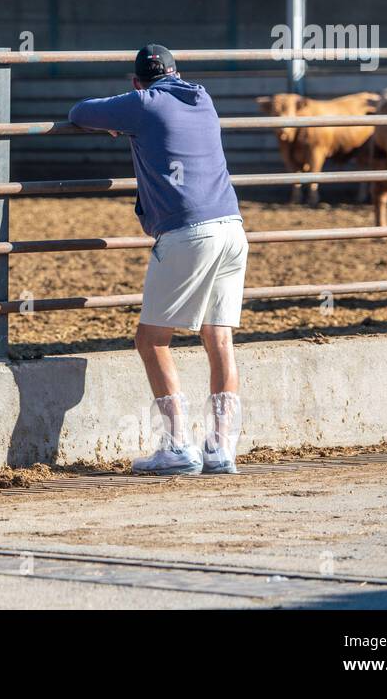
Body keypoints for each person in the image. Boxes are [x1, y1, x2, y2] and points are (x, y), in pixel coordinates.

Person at [68, 45, 247, 475]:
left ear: (136, 81)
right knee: (218, 339)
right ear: (177, 72)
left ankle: (177, 446)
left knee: (151, 340)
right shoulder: (202, 98)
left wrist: (123, 123)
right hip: (232, 227)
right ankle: (221, 450)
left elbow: (80, 111)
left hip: (187, 232)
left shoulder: (141, 103)